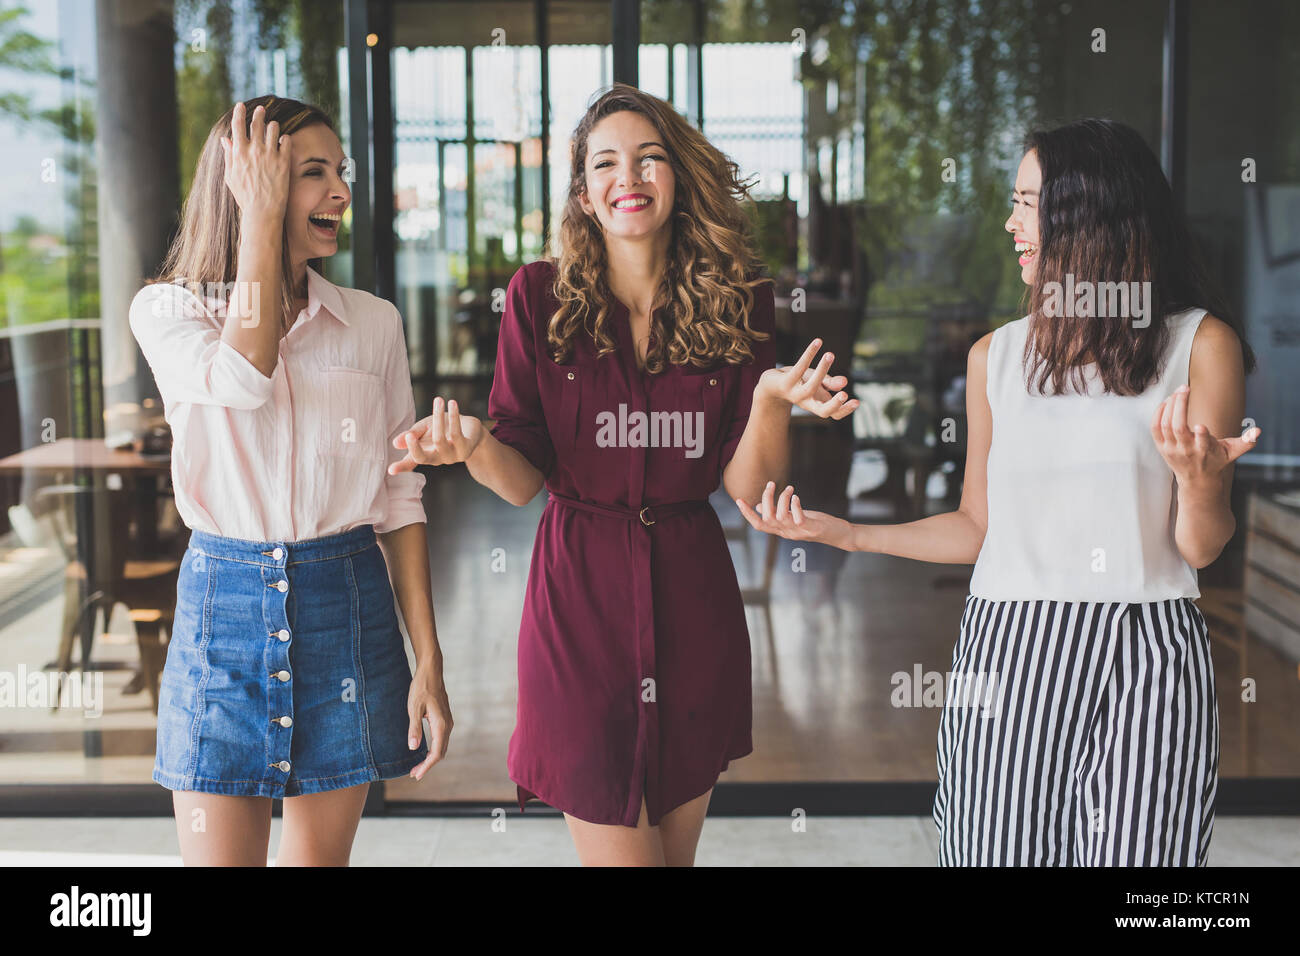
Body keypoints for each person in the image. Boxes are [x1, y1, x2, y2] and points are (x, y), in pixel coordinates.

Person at [737, 118, 1258, 866]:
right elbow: (977, 525)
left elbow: (1198, 546)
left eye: (1026, 203)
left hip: (1149, 647)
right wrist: (848, 534)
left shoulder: (1201, 344)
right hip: (1010, 646)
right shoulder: (997, 358)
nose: (1011, 223)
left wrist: (1199, 485)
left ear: (1090, 217)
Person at [390, 84, 858, 866]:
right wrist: (473, 443)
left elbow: (749, 491)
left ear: (678, 175)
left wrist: (773, 398)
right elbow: (519, 481)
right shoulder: (537, 298)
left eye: (649, 158)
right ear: (582, 192)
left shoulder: (740, 303)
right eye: (605, 162)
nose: (627, 177)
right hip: (577, 610)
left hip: (693, 603)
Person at [129, 96, 452, 866]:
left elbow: (401, 498)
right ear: (245, 186)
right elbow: (242, 375)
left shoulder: (373, 323)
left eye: (340, 172)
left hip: (345, 602)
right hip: (223, 613)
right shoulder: (167, 310)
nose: (341, 191)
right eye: (313, 174)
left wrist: (429, 660)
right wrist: (260, 221)